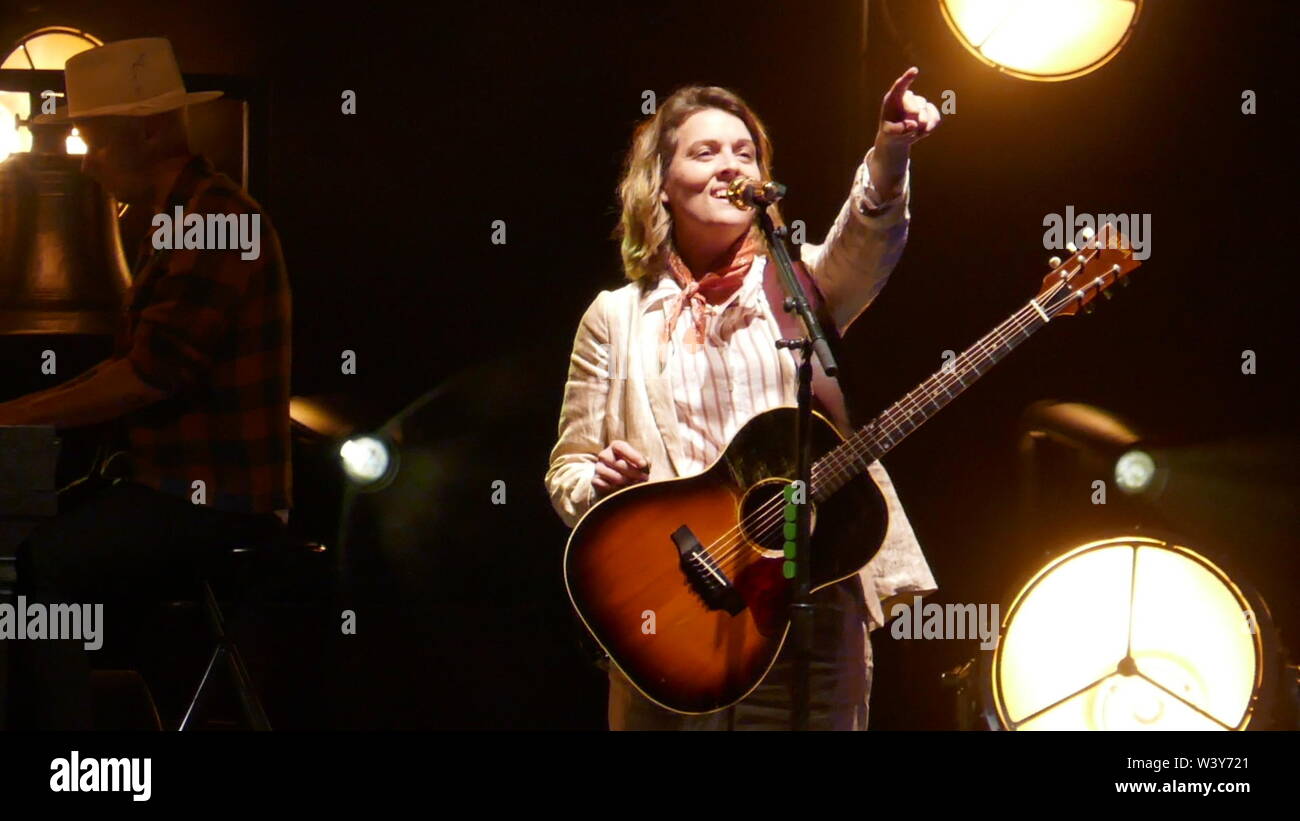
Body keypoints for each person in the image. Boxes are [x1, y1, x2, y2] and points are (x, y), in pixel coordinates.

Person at [546, 68, 940, 730]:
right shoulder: (615, 318)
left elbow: (868, 240)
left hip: (809, 609)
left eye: (744, 152)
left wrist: (891, 150)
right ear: (661, 186)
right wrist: (598, 481)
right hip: (675, 622)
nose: (730, 164)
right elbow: (569, 469)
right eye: (705, 152)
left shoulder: (800, 286)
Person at [0, 37, 291, 730]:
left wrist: (12, 415)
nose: (90, 161)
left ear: (152, 130)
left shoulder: (218, 222)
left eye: (97, 141)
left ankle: (63, 757)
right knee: (25, 541)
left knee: (42, 565)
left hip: (219, 500)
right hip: (176, 487)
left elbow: (152, 375)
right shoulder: (177, 218)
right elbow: (138, 364)